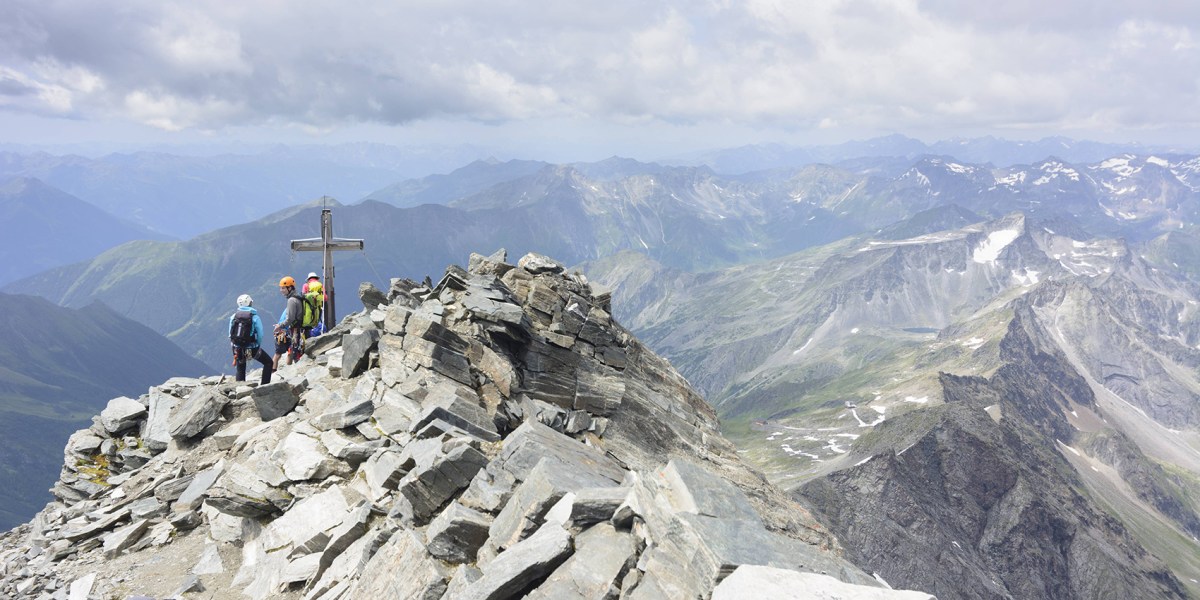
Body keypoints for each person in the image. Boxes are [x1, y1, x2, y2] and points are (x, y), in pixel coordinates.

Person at [229, 294, 272, 385]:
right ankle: (264, 386)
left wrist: (234, 346)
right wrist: (257, 344)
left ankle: (240, 388)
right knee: (268, 362)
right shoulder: (255, 317)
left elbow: (230, 334)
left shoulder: (234, 317)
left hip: (238, 347)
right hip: (252, 347)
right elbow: (260, 334)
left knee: (240, 367)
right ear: (249, 303)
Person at [275, 276, 306, 366]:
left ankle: (299, 370)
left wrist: (279, 326)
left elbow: (290, 319)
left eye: (283, 288)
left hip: (296, 330)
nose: (281, 290)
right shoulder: (298, 297)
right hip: (301, 329)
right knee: (297, 351)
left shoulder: (292, 300)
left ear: (290, 288)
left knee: (296, 352)